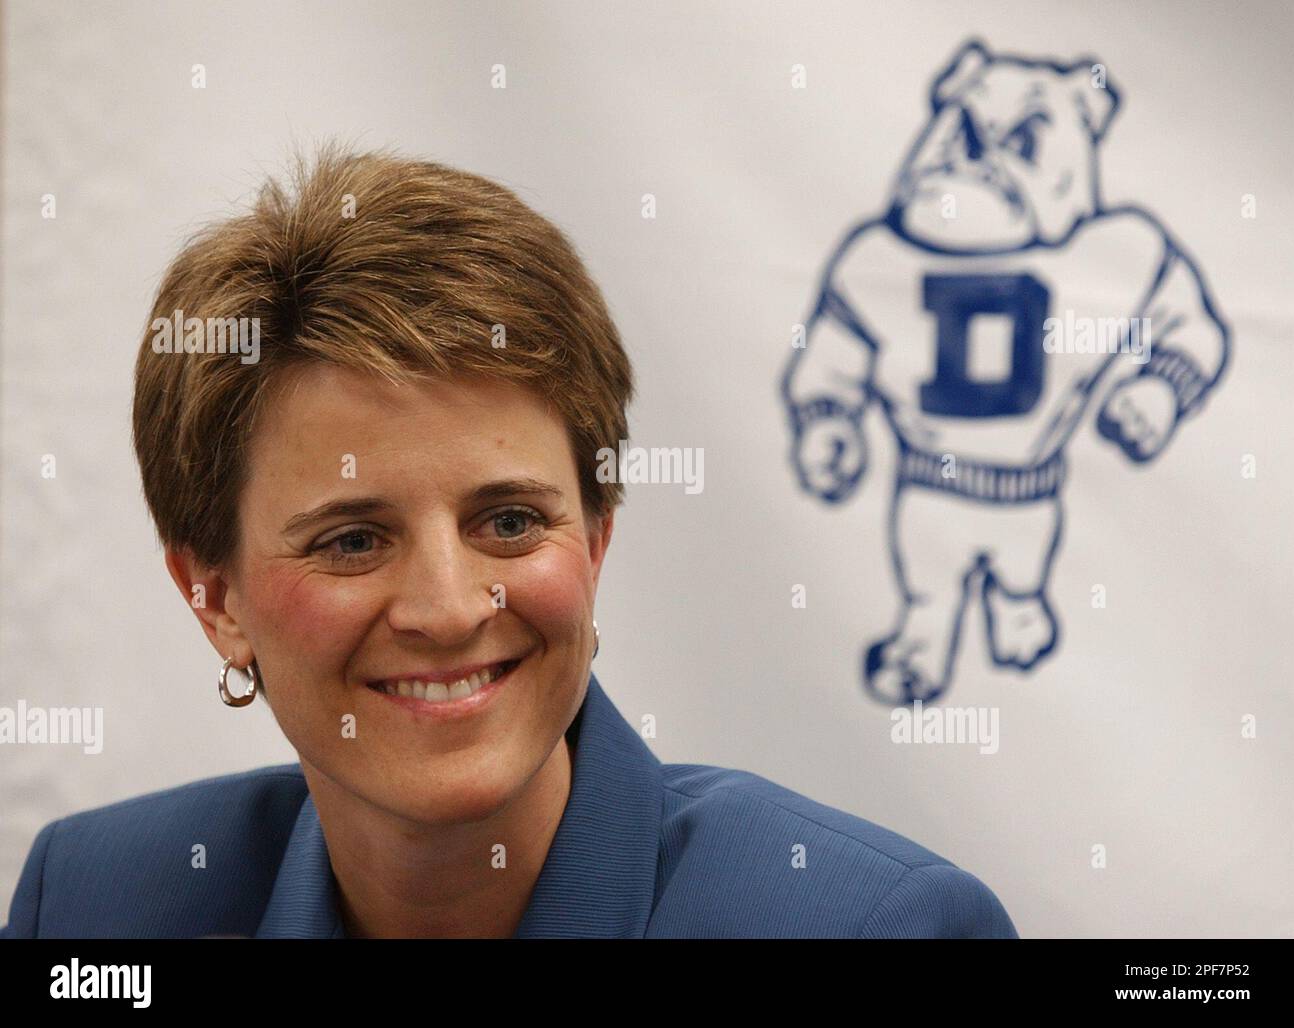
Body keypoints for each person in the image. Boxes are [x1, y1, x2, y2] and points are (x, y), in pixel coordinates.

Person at [1, 143, 1018, 939]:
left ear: (597, 538)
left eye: (510, 521)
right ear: (214, 599)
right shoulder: (96, 904)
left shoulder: (873, 923)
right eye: (353, 539)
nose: (449, 608)